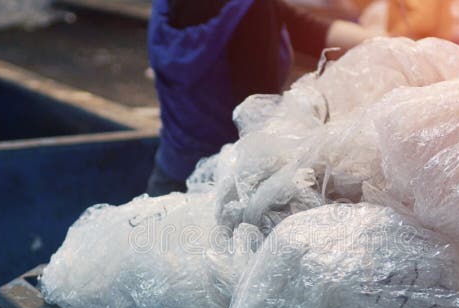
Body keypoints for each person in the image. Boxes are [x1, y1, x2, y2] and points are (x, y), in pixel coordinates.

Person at [147, 0, 377, 196]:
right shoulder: (252, 9)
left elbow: (303, 27)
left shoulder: (167, 4)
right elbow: (258, 111)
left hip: (169, 172)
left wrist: (386, 41)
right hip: (224, 186)